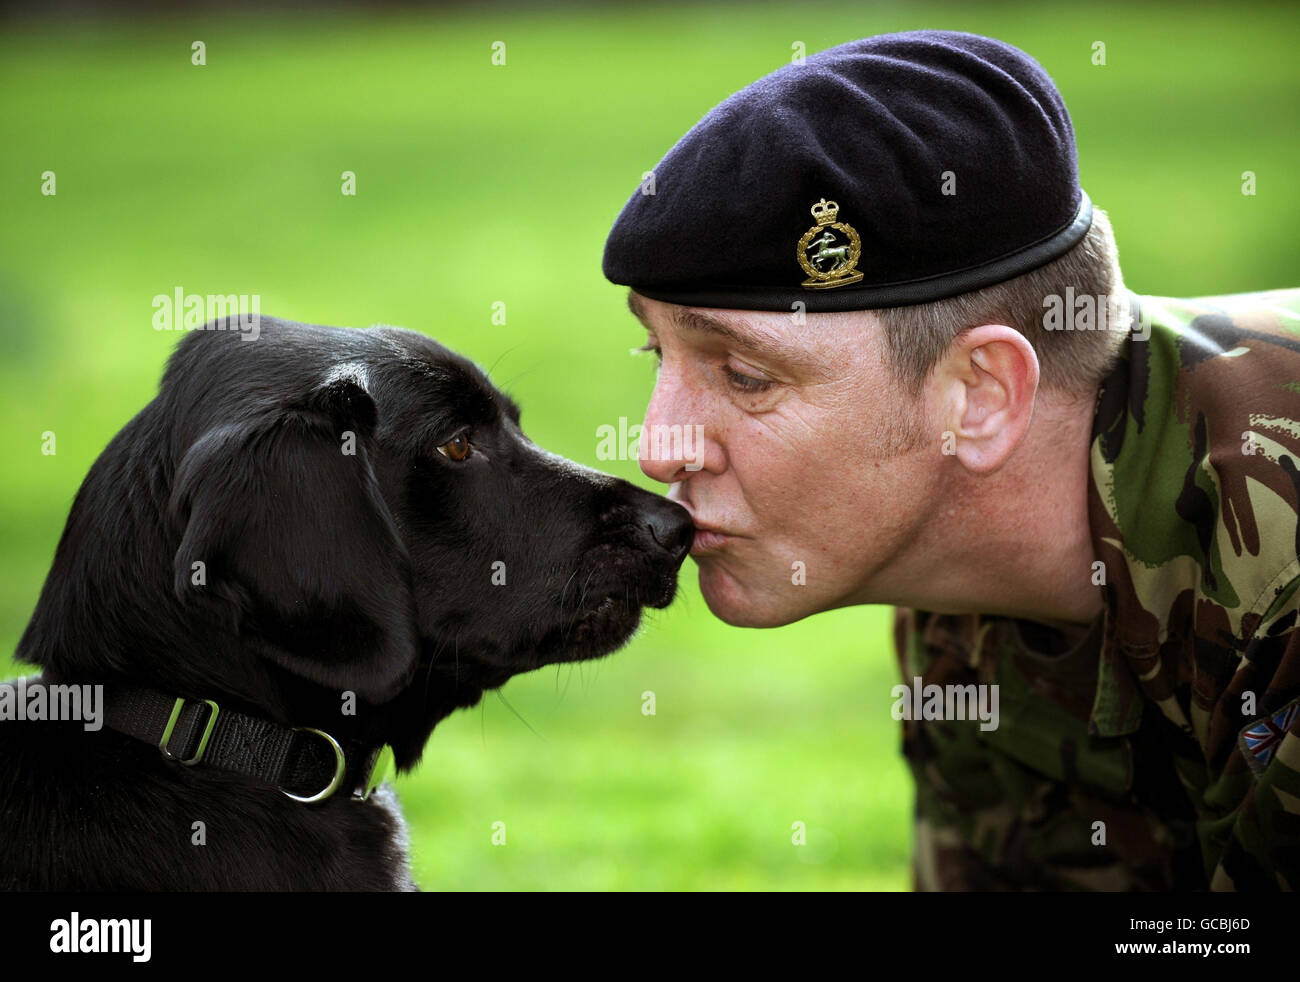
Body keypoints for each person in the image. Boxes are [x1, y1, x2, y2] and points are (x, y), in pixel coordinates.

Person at [601, 30, 1300, 891]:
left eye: (746, 375)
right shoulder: (951, 573)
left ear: (981, 396)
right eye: (654, 356)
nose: (656, 444)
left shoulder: (1283, 569)